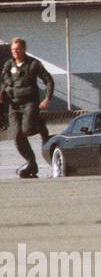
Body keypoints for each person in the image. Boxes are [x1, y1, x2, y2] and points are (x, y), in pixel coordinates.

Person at [2, 37, 56, 178]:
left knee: (27, 129)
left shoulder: (33, 64)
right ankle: (31, 163)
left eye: (18, 49)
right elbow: (3, 81)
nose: (15, 52)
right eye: (13, 49)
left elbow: (48, 80)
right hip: (14, 105)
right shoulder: (9, 64)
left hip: (30, 103)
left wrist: (47, 98)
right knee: (17, 136)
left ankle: (39, 125)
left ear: (24, 49)